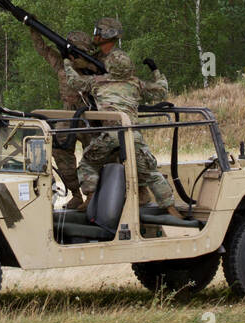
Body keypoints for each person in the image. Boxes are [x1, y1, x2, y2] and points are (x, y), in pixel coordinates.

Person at [61, 17, 176, 214]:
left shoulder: (98, 82)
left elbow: (74, 81)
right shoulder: (136, 83)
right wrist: (156, 70)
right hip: (133, 135)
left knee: (88, 162)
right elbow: (161, 90)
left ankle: (91, 196)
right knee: (151, 173)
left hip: (110, 134)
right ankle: (173, 210)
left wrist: (67, 62)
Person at [29, 27, 97, 209]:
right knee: (59, 150)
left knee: (93, 156)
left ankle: (93, 195)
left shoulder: (93, 67)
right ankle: (76, 194)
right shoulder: (62, 63)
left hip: (90, 115)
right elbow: (43, 49)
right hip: (68, 113)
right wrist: (33, 29)